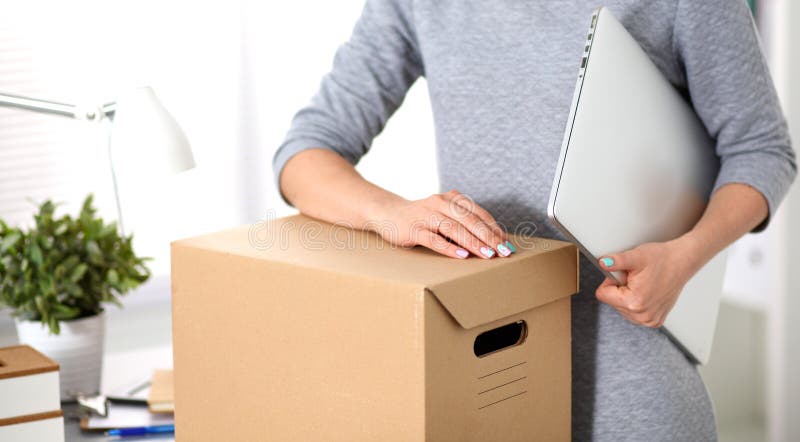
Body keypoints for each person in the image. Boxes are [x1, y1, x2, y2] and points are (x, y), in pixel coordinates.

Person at [273, 0, 796, 440]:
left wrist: (683, 259)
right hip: (484, 389)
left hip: (632, 399)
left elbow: (762, 150)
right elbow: (305, 153)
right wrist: (389, 213)